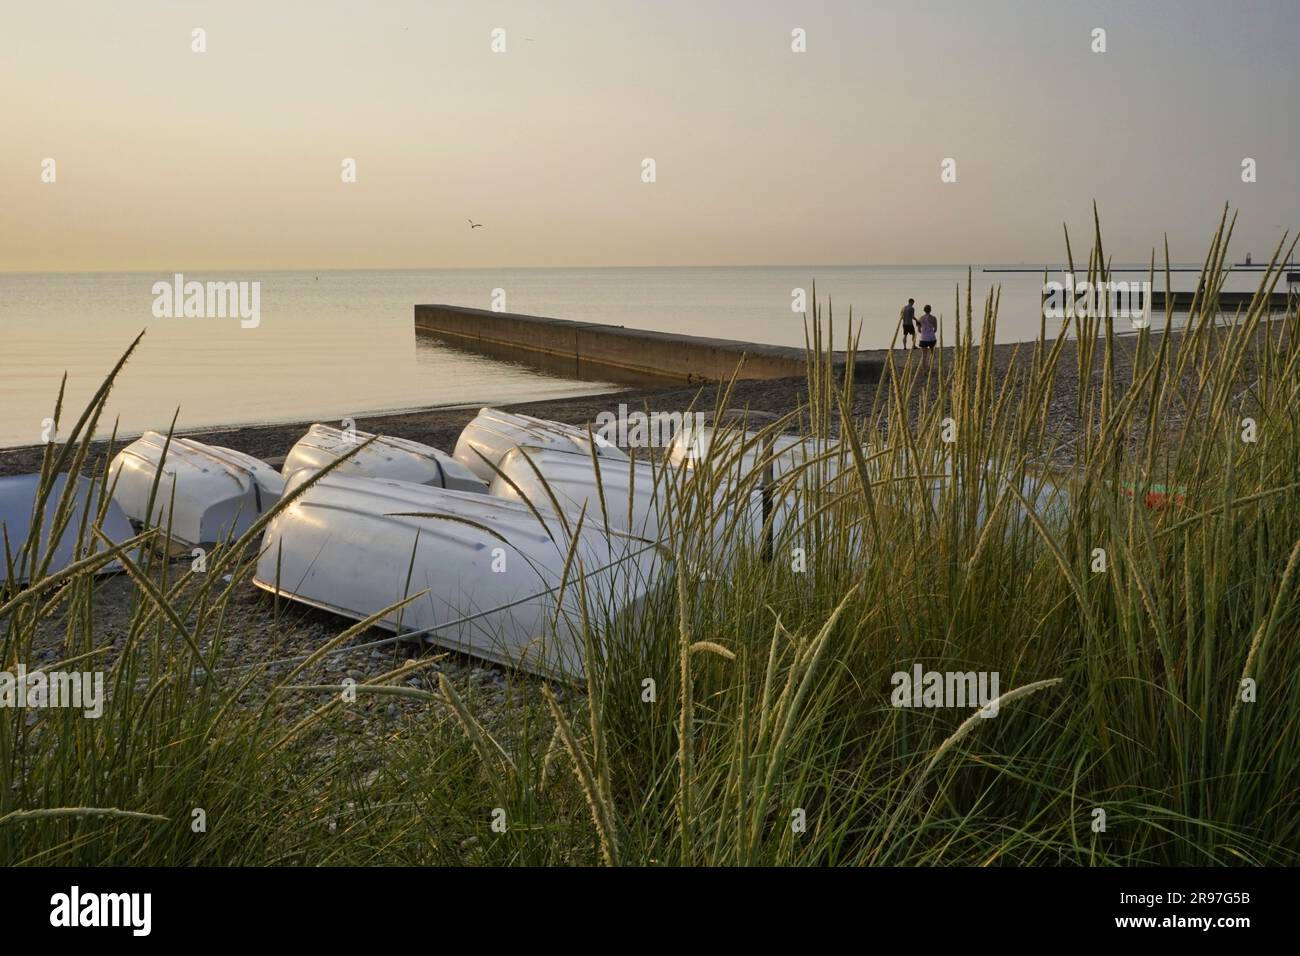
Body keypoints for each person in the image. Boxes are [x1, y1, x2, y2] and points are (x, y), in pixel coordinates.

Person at [917, 304, 938, 370]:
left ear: (924, 310)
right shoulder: (934, 318)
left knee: (924, 355)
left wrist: (923, 331)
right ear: (930, 310)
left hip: (923, 338)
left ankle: (924, 370)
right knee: (932, 353)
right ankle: (930, 367)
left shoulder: (920, 318)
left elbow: (919, 330)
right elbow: (935, 329)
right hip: (931, 338)